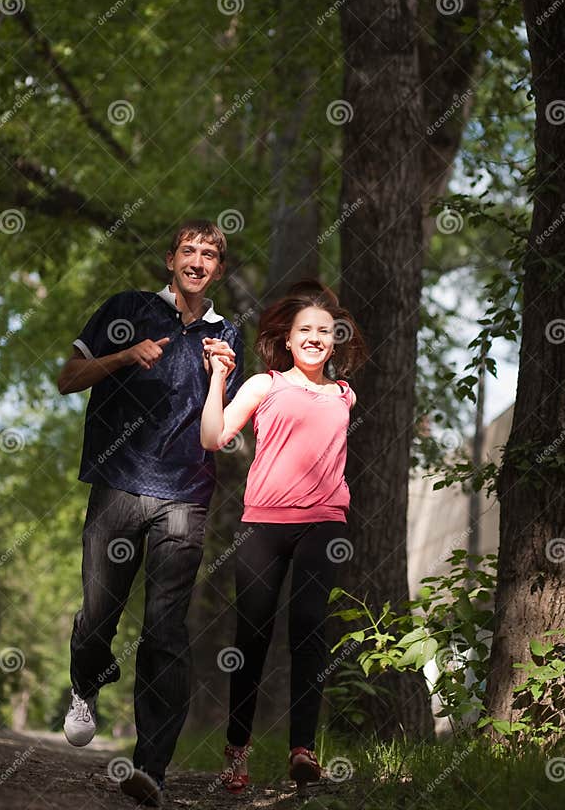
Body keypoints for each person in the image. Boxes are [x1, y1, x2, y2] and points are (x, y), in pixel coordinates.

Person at [58, 220, 243, 808]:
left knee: (166, 629)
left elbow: (219, 431)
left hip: (186, 492)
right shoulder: (128, 308)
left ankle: (151, 769)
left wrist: (223, 378)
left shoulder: (225, 334)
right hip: (118, 481)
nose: (197, 260)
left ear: (218, 268)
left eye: (209, 253)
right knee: (98, 611)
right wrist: (122, 354)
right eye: (188, 250)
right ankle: (86, 681)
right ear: (170, 260)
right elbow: (68, 379)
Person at [200, 281, 367, 792]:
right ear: (288, 340)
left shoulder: (344, 394)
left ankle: (303, 750)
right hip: (265, 523)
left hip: (324, 520)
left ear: (334, 341)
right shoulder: (263, 385)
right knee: (252, 637)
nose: (315, 338)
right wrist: (218, 380)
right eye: (305, 331)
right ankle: (236, 749)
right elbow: (213, 437)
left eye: (324, 331)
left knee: (310, 626)